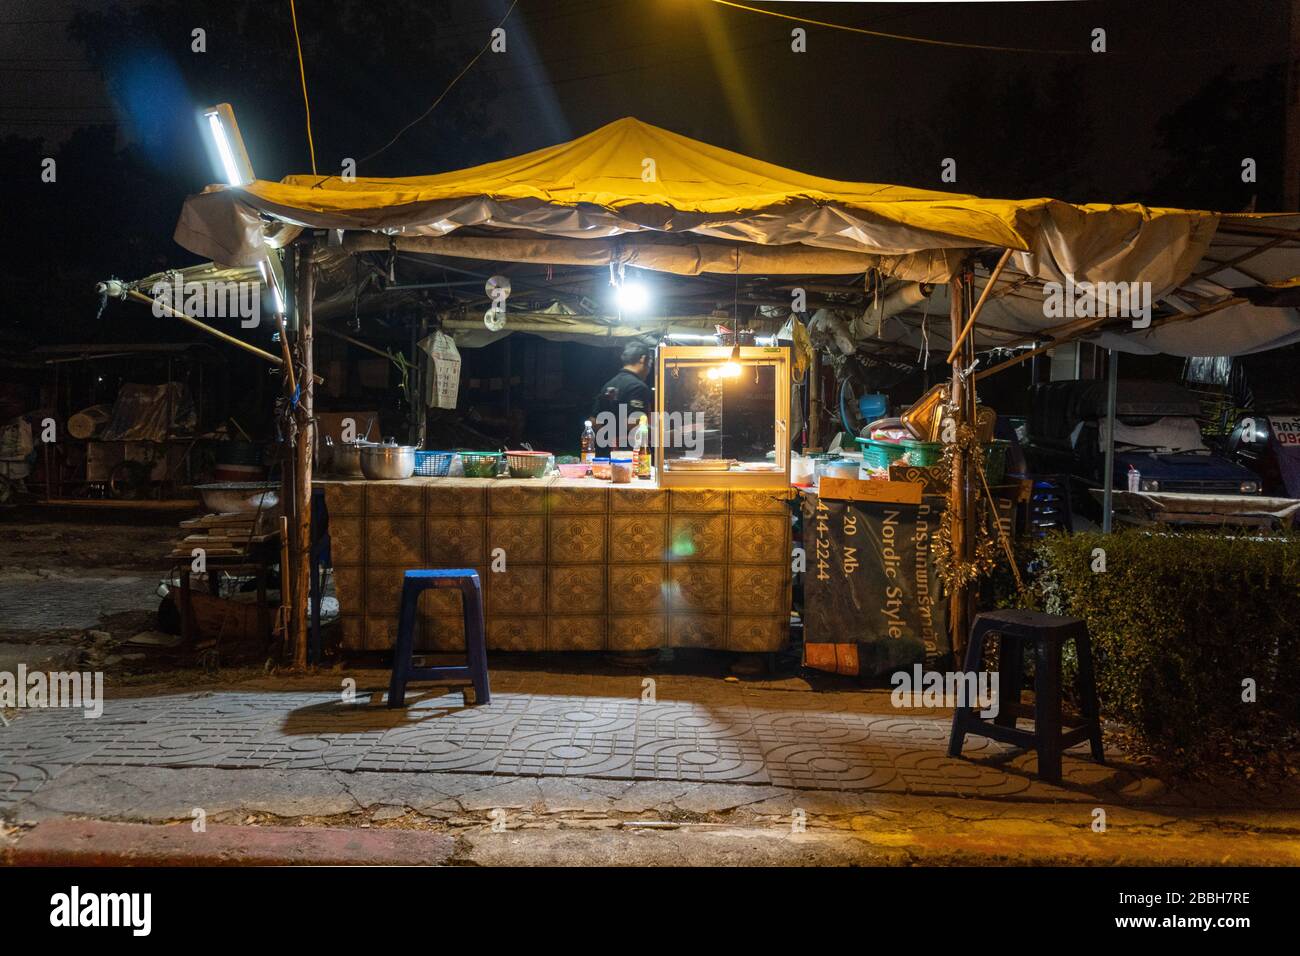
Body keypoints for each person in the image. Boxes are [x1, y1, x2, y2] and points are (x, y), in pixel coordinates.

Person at [591, 341, 653, 453]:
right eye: (650, 362)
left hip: (607, 455)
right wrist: (662, 435)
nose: (649, 369)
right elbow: (634, 425)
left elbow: (594, 421)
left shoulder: (609, 384)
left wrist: (611, 441)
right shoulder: (638, 387)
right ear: (643, 359)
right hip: (629, 457)